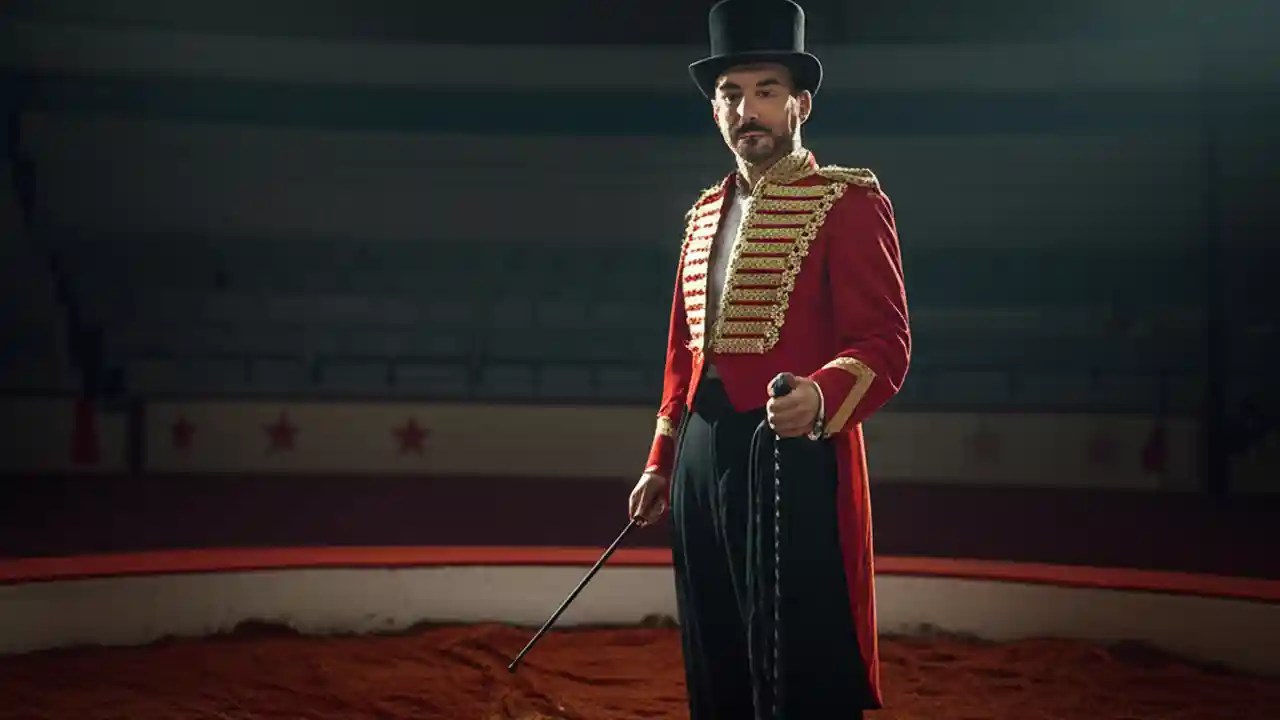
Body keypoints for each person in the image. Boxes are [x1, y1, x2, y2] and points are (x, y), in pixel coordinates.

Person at [626, 1, 911, 717]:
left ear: (800, 104)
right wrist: (661, 459)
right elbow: (679, 354)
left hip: (787, 445)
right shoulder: (700, 214)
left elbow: (885, 343)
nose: (745, 109)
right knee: (711, 636)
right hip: (700, 444)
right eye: (730, 94)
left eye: (765, 91)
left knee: (796, 648)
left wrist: (819, 396)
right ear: (716, 110)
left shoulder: (847, 202)